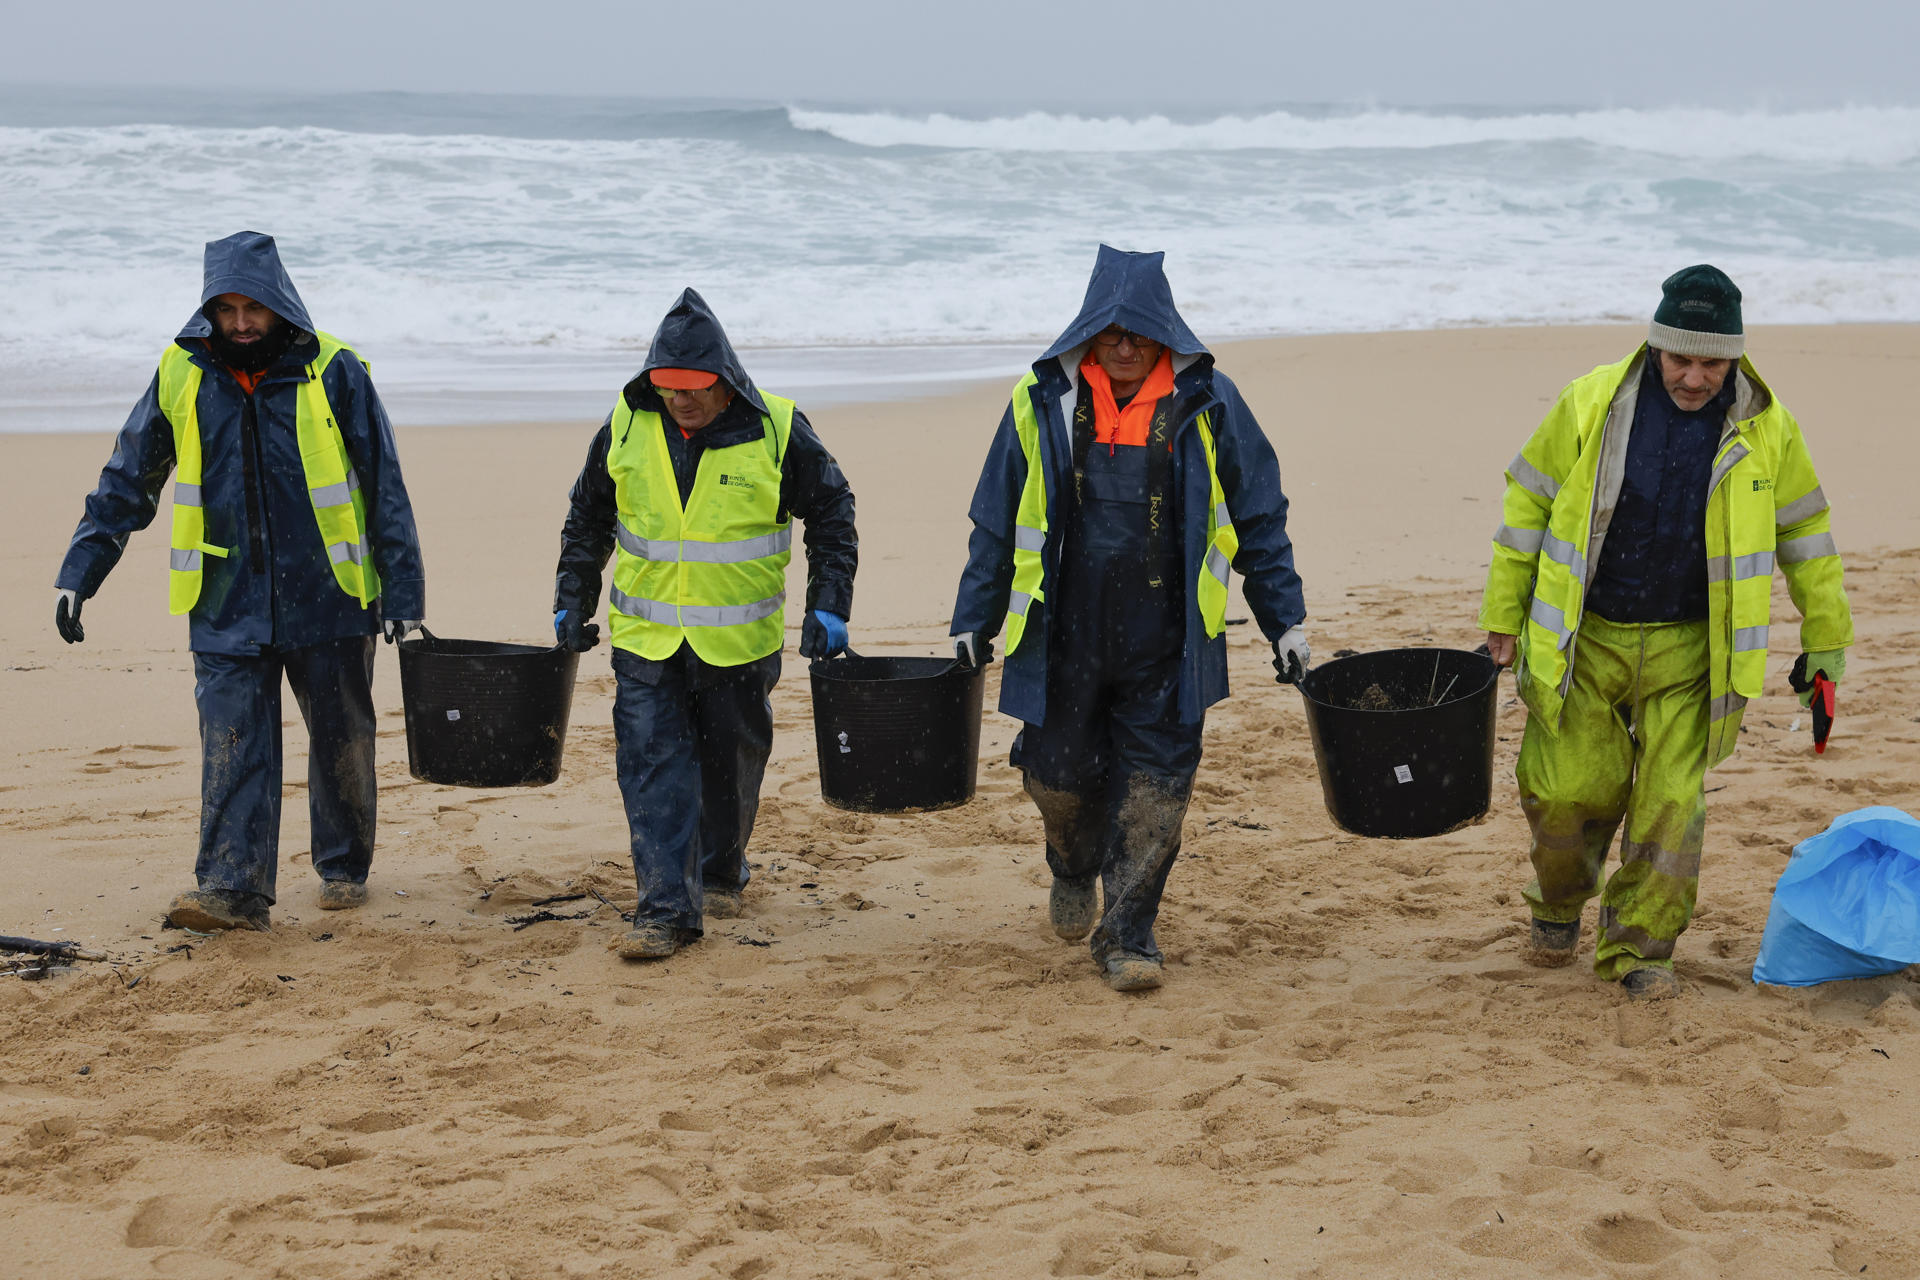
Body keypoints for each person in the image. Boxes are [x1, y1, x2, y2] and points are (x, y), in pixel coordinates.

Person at [1479, 265, 1852, 999]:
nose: (1693, 377)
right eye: (1681, 359)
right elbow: (1528, 499)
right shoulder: (1592, 402)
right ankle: (1556, 902)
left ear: (1734, 358)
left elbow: (1805, 529)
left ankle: (1639, 952)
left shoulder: (1766, 428)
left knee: (1671, 808)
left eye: (1712, 363)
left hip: (1695, 652)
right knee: (1565, 792)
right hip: (1587, 640)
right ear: (1655, 347)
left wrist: (1827, 638)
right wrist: (1502, 613)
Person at [950, 245, 1308, 993]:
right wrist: (972, 618)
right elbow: (994, 519)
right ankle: (1072, 863)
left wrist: (1287, 623)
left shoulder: (1210, 401)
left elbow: (1260, 517)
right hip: (1061, 637)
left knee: (1157, 792)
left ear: (1163, 335)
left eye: (1138, 333)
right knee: (1057, 783)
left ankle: (1128, 938)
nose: (1122, 345)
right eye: (1110, 331)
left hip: (1169, 643)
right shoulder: (1039, 401)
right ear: (1087, 331)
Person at [55, 231, 426, 933]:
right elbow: (128, 481)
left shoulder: (336, 371)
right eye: (225, 309)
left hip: (332, 595)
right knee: (233, 741)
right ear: (208, 311)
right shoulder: (179, 371)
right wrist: (82, 570)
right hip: (225, 600)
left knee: (342, 741)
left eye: (252, 306)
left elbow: (385, 490)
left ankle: (343, 865)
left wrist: (403, 599)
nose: (241, 322)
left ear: (279, 302)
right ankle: (231, 888)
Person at [553, 288, 858, 961]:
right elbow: (588, 518)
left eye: (693, 389)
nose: (680, 401)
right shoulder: (625, 425)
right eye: (667, 388)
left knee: (729, 770)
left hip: (738, 646)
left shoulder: (778, 429)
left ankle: (721, 868)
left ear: (725, 384)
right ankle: (664, 910)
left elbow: (832, 513)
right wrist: (572, 596)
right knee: (651, 766)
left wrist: (830, 604)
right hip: (645, 642)